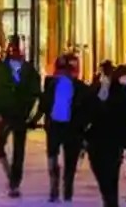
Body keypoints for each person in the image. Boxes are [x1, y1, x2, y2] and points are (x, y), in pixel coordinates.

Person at [0, 35, 42, 199]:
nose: (15, 51)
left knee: (18, 151)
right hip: (5, 113)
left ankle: (14, 181)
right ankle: (11, 176)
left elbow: (36, 92)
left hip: (19, 114)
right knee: (0, 145)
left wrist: (32, 114)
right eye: (13, 48)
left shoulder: (28, 71)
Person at [31, 54, 86, 203]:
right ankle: (65, 190)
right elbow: (86, 110)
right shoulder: (78, 87)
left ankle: (57, 188)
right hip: (69, 129)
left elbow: (44, 105)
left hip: (59, 127)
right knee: (67, 161)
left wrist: (34, 120)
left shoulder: (52, 85)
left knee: (56, 157)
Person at [86, 63, 126, 207]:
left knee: (106, 174)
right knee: (110, 174)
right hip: (108, 140)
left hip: (103, 139)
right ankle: (110, 200)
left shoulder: (100, 91)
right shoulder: (118, 93)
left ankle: (110, 200)